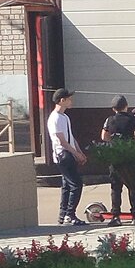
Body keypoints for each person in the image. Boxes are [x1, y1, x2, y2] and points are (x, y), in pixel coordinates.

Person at [101, 95, 135, 226]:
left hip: (115, 156)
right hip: (130, 156)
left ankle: (116, 216)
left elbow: (104, 136)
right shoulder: (133, 119)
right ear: (126, 106)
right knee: (132, 186)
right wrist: (133, 136)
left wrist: (115, 140)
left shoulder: (109, 120)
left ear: (113, 108)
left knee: (116, 187)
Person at [47, 88, 87, 226]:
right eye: (69, 99)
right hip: (63, 155)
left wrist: (79, 152)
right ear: (62, 100)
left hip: (70, 153)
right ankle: (70, 214)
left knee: (67, 185)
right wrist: (76, 154)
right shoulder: (55, 118)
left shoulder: (64, 117)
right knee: (76, 184)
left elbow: (71, 137)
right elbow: (62, 141)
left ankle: (63, 214)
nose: (71, 101)